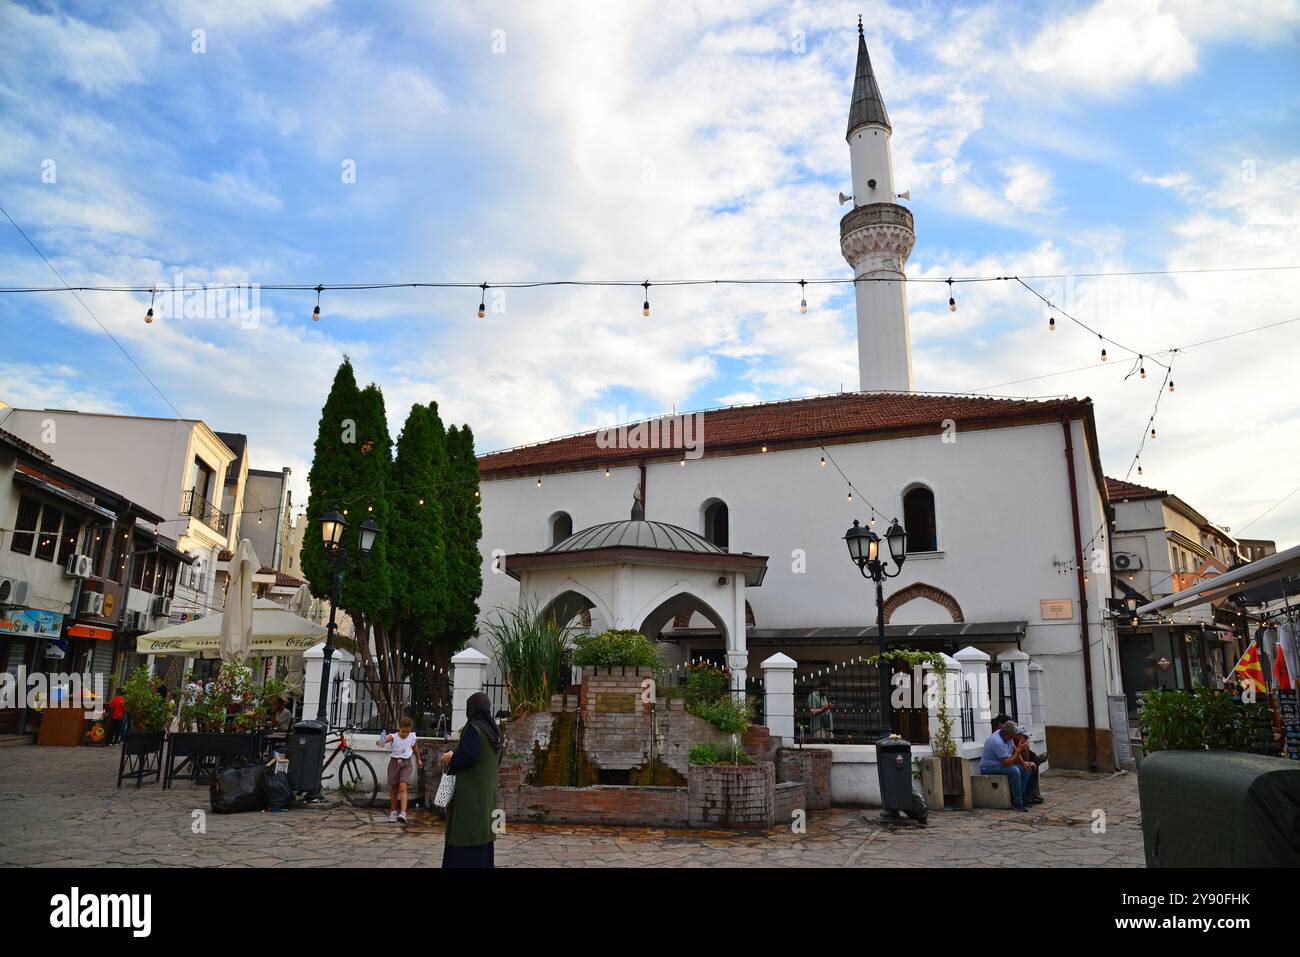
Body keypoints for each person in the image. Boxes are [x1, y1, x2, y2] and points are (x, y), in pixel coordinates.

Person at [439, 691, 502, 868]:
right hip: (487, 794)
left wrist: (451, 758)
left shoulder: (473, 728)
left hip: (470, 794)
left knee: (464, 833)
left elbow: (468, 757)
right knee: (483, 834)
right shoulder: (495, 731)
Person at [980, 719, 1038, 811]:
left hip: (1001, 766)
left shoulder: (1007, 737)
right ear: (1009, 734)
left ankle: (1021, 798)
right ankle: (1017, 802)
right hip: (988, 768)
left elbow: (1014, 749)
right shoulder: (997, 742)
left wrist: (1023, 763)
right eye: (1015, 733)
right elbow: (1007, 762)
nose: (1017, 735)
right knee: (1014, 770)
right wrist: (1020, 749)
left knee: (1026, 769)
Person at [991, 713, 1046, 803]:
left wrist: (1025, 758)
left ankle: (1030, 794)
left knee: (1031, 764)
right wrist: (1022, 752)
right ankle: (1021, 798)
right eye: (1024, 736)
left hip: (1011, 761)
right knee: (1021, 769)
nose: (1027, 739)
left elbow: (1021, 758)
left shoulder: (1010, 739)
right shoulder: (1004, 738)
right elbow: (1009, 760)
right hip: (1001, 764)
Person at [378, 716, 423, 825]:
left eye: (408, 732)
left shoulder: (411, 737)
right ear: (399, 728)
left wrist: (418, 759)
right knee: (394, 789)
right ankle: (393, 812)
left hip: (406, 764)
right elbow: (383, 740)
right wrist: (380, 741)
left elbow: (415, 748)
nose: (406, 734)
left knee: (403, 787)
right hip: (394, 763)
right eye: (403, 731)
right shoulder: (393, 737)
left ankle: (403, 813)